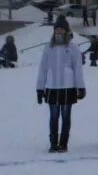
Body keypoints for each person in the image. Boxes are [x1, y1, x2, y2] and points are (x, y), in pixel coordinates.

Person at [36, 16, 86, 153]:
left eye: (61, 29)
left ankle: (63, 143)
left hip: (68, 88)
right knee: (53, 117)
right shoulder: (48, 48)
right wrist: (40, 89)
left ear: (66, 31)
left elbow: (78, 69)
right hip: (52, 87)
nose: (59, 31)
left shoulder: (73, 48)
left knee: (65, 116)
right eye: (56, 29)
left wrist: (81, 87)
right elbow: (43, 68)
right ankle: (53, 143)